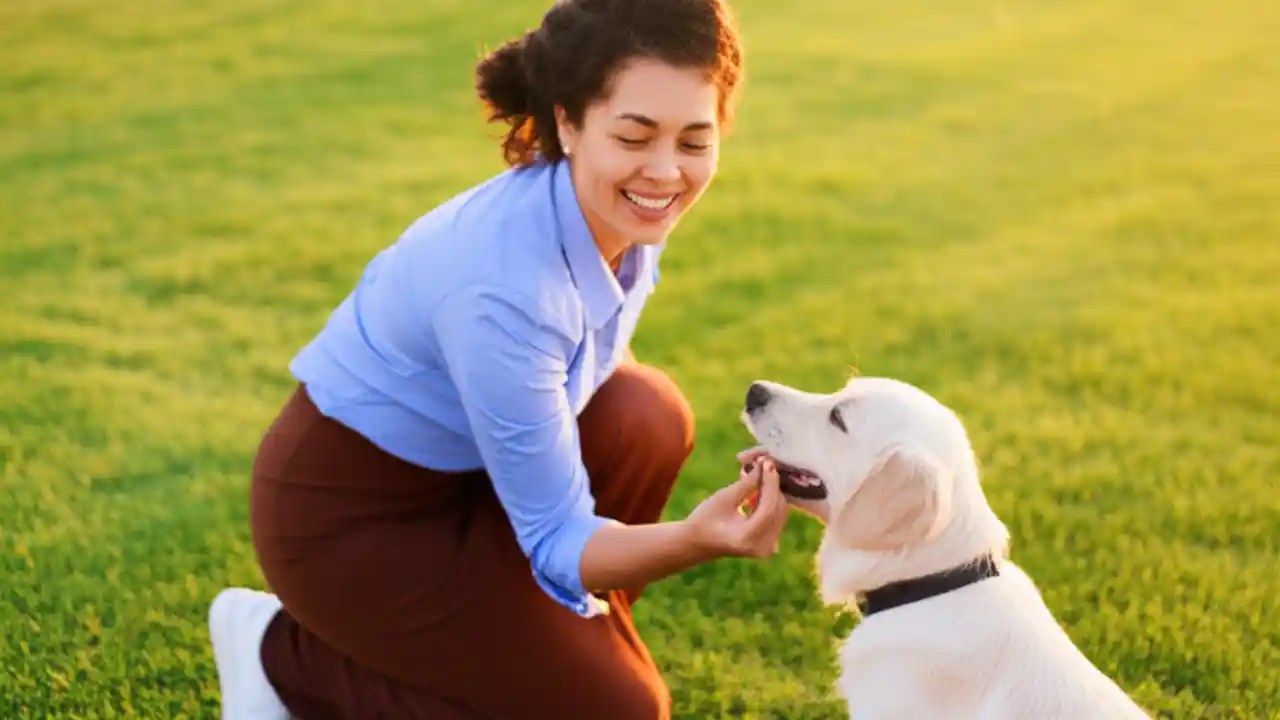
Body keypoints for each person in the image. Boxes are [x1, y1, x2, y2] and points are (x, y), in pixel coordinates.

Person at [207, 0, 791, 717]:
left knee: (646, 415)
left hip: (466, 478)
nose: (666, 172)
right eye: (635, 136)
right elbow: (555, 537)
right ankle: (279, 654)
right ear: (570, 123)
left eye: (694, 142)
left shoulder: (618, 205)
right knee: (619, 711)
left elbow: (588, 362)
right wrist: (694, 540)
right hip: (352, 522)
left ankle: (547, 653)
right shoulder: (502, 289)